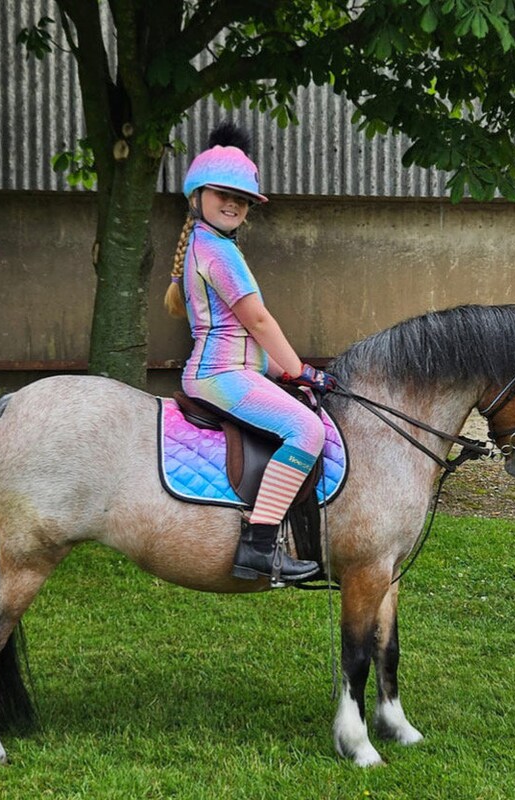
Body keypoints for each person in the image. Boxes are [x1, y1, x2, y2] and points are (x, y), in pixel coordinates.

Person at [165, 122, 336, 585]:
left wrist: (291, 372)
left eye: (242, 198)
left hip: (237, 369)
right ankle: (259, 546)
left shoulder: (210, 245)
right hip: (220, 374)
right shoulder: (218, 251)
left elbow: (247, 337)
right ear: (197, 195)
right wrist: (299, 369)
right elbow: (258, 322)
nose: (233, 203)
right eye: (223, 193)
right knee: (305, 429)